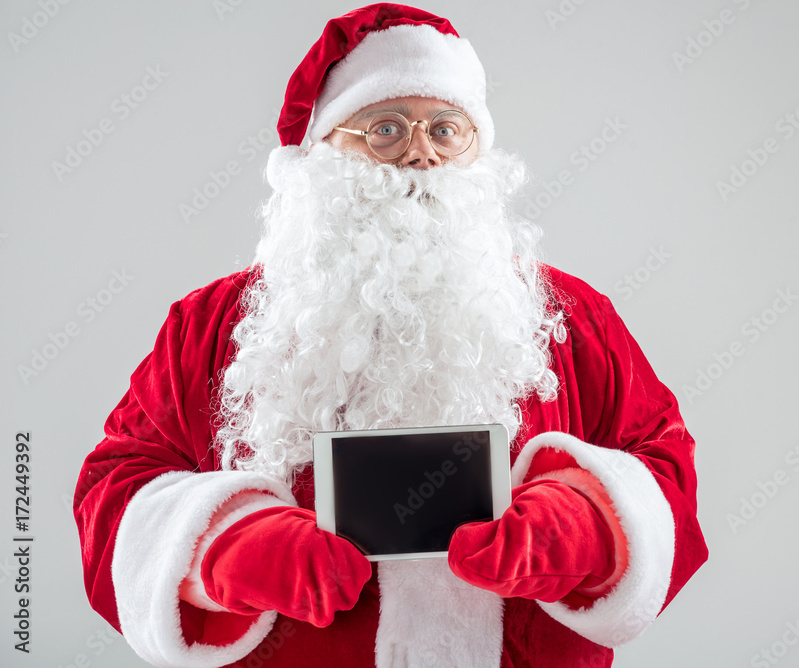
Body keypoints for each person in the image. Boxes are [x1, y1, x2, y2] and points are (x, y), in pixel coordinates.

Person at [73, 4, 708, 668]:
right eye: (384, 128)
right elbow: (115, 485)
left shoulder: (574, 316)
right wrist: (222, 543)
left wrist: (590, 521)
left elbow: (663, 462)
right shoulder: (212, 324)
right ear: (320, 154)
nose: (421, 152)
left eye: (446, 128)